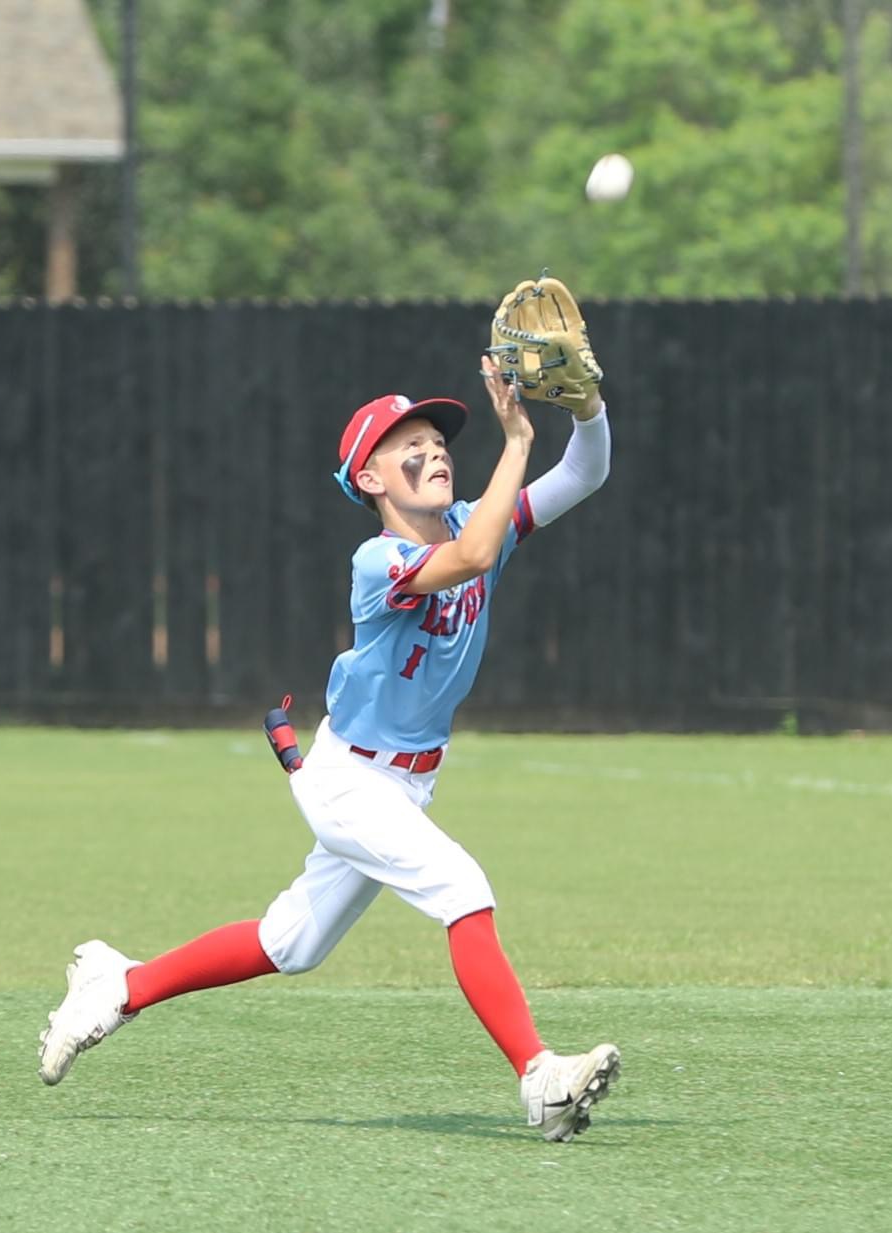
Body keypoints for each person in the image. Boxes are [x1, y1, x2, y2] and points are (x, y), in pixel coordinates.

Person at [37, 356, 617, 1142]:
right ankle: (539, 1078)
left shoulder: (474, 521)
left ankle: (119, 986)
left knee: (291, 941)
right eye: (408, 442)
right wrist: (516, 440)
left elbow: (585, 471)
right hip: (351, 780)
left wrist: (586, 407)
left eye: (439, 439)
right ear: (370, 478)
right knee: (461, 887)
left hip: (404, 782)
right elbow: (474, 556)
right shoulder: (376, 562)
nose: (435, 450)